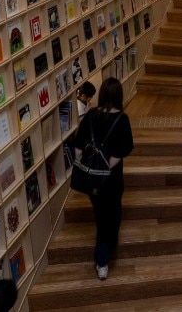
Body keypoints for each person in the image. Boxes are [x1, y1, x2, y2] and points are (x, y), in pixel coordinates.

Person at [72, 77, 134, 280]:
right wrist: (105, 167)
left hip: (92, 181)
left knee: (100, 216)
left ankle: (103, 255)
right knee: (113, 216)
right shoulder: (122, 119)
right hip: (112, 179)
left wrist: (89, 166)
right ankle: (102, 259)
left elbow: (79, 147)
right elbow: (122, 151)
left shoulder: (90, 116)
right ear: (119, 96)